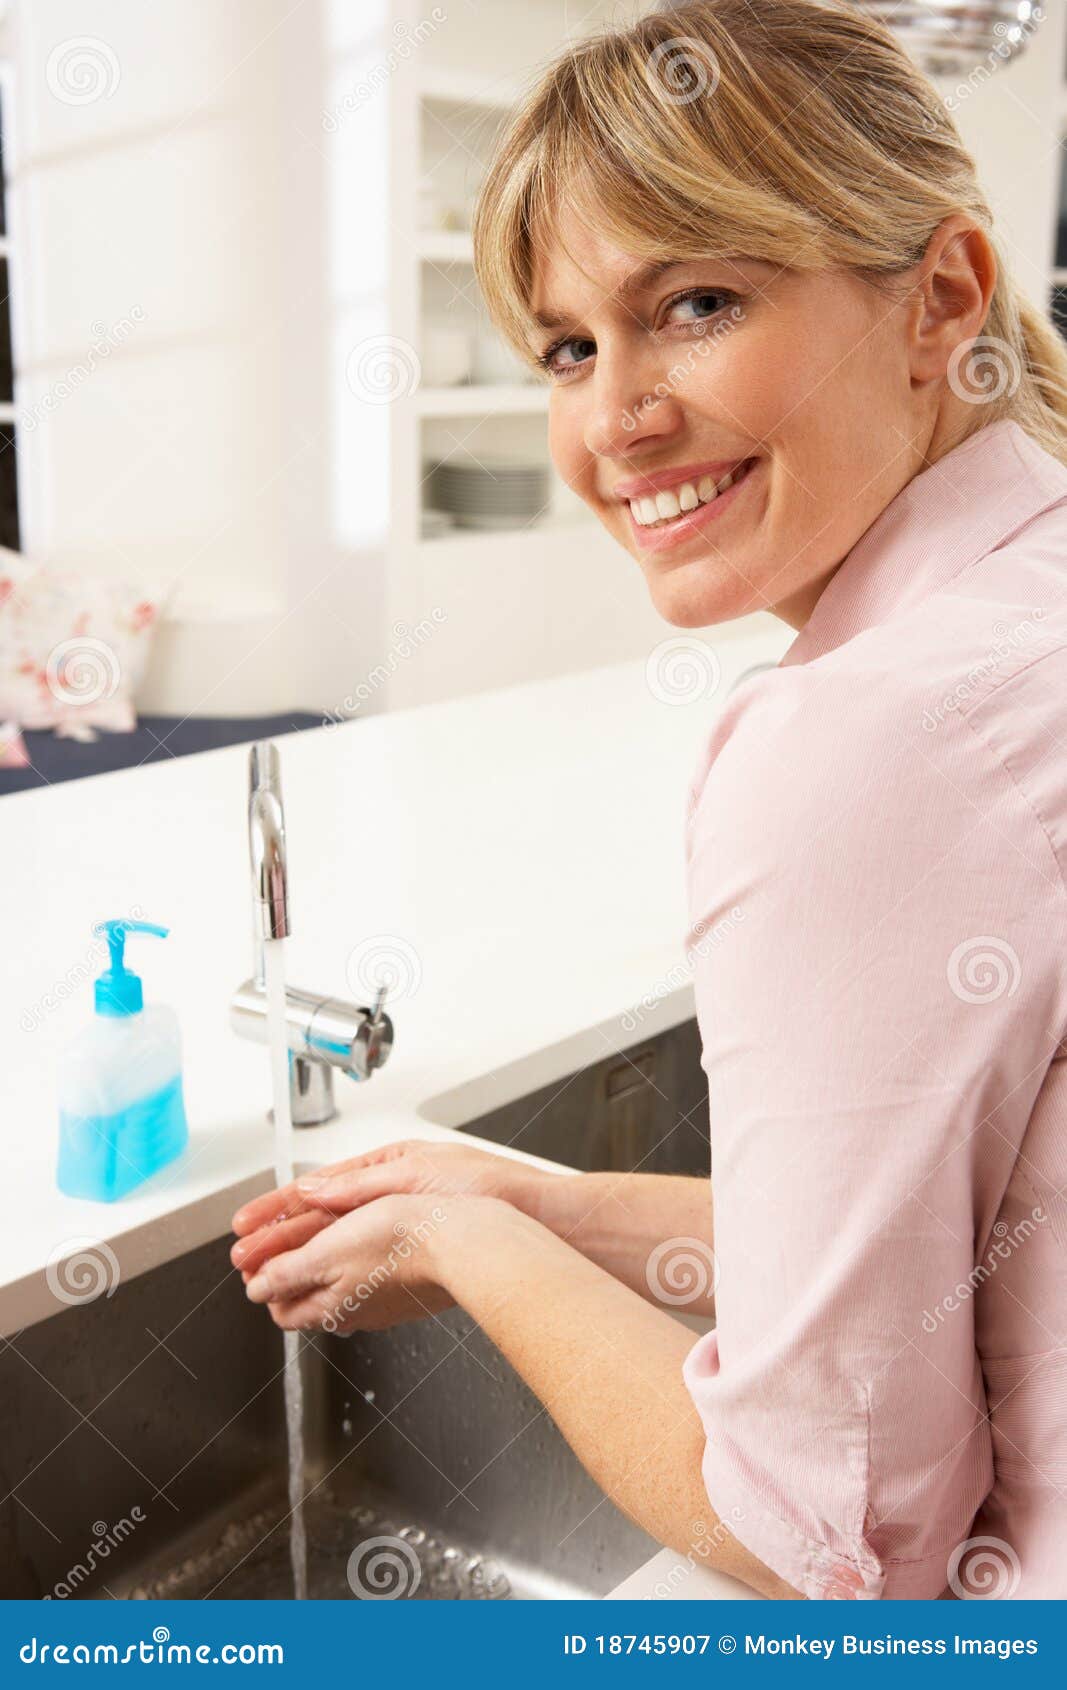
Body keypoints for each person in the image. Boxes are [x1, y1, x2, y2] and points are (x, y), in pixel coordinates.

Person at [232, 0, 1067, 1599]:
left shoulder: (866, 740)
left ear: (942, 299)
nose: (615, 419)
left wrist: (470, 1245)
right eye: (568, 347)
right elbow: (938, 1263)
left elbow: (830, 1545)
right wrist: (546, 1201)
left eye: (694, 303)